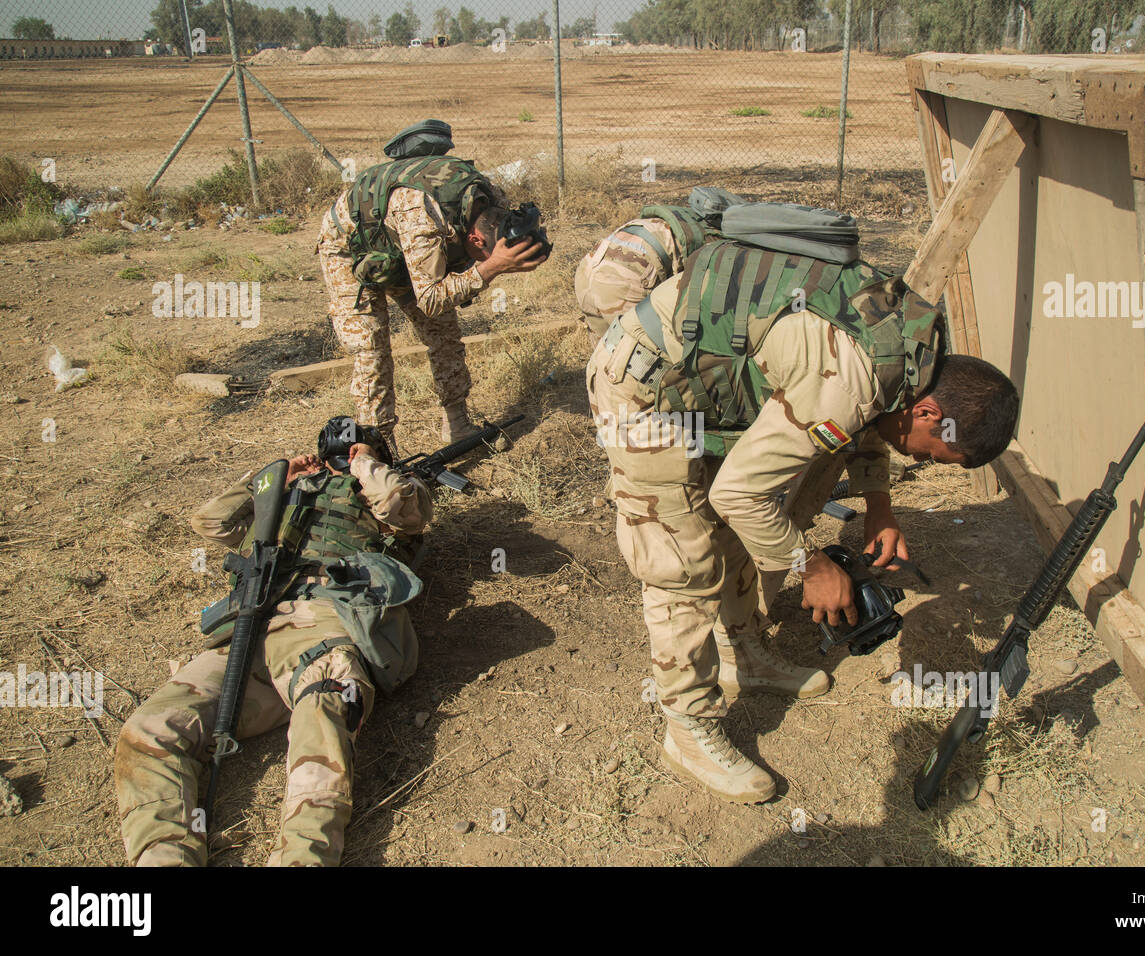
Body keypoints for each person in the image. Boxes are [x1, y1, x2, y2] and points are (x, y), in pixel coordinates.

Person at [587, 236, 1020, 803]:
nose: (913, 457)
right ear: (930, 412)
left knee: (736, 535)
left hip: (701, 389)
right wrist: (808, 563)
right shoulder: (850, 381)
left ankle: (742, 653)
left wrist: (879, 505)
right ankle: (687, 727)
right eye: (923, 452)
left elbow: (876, 408)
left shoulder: (916, 345)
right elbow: (743, 492)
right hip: (640, 395)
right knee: (684, 564)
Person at [114, 418, 433, 866]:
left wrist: (367, 468)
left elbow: (405, 509)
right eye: (344, 450)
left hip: (326, 621)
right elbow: (208, 521)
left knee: (325, 714)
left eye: (362, 449)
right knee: (149, 730)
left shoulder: (386, 492)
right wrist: (267, 481)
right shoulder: (277, 501)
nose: (349, 455)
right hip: (248, 630)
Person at [318, 127, 548, 449]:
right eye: (484, 252)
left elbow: (443, 293)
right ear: (474, 239)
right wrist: (491, 267)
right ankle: (379, 454)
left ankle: (457, 427)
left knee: (445, 335)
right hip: (351, 248)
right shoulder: (422, 215)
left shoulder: (492, 199)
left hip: (403, 246)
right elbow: (429, 298)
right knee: (372, 349)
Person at [573, 186, 743, 345]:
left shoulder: (686, 219)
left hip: (589, 265)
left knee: (605, 354)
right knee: (643, 356)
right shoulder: (723, 242)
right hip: (625, 277)